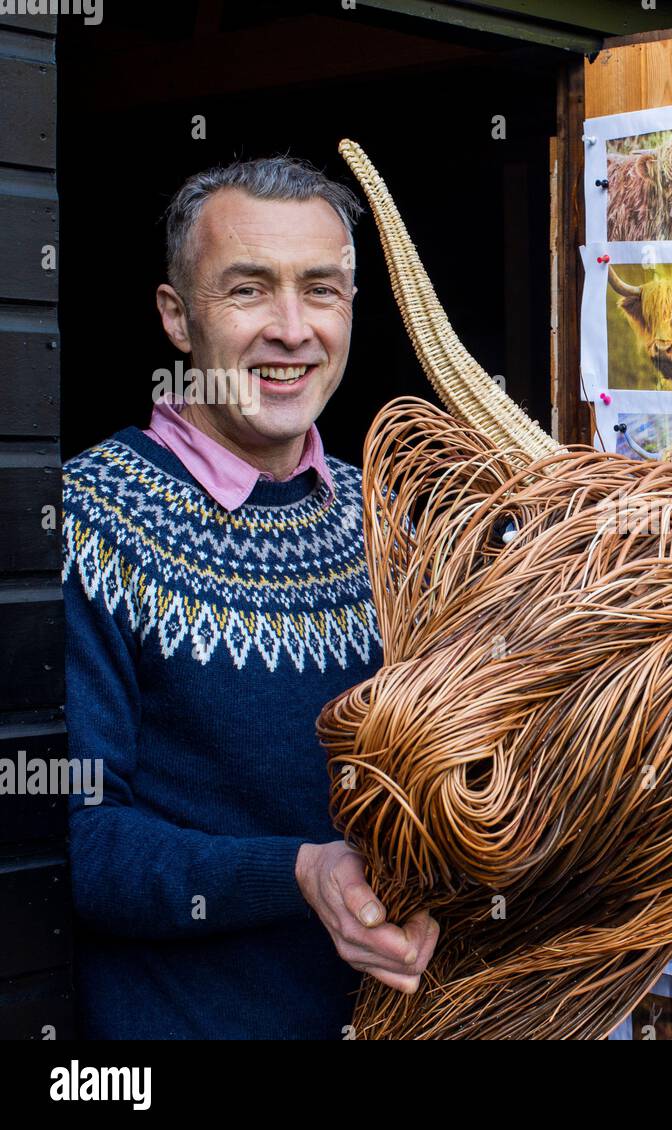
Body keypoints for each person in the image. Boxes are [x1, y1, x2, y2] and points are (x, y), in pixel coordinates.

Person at [60, 156, 438, 1038]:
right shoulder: (88, 524)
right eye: (248, 291)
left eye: (322, 289)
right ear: (176, 318)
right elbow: (74, 842)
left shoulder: (390, 525)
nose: (292, 328)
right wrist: (299, 874)